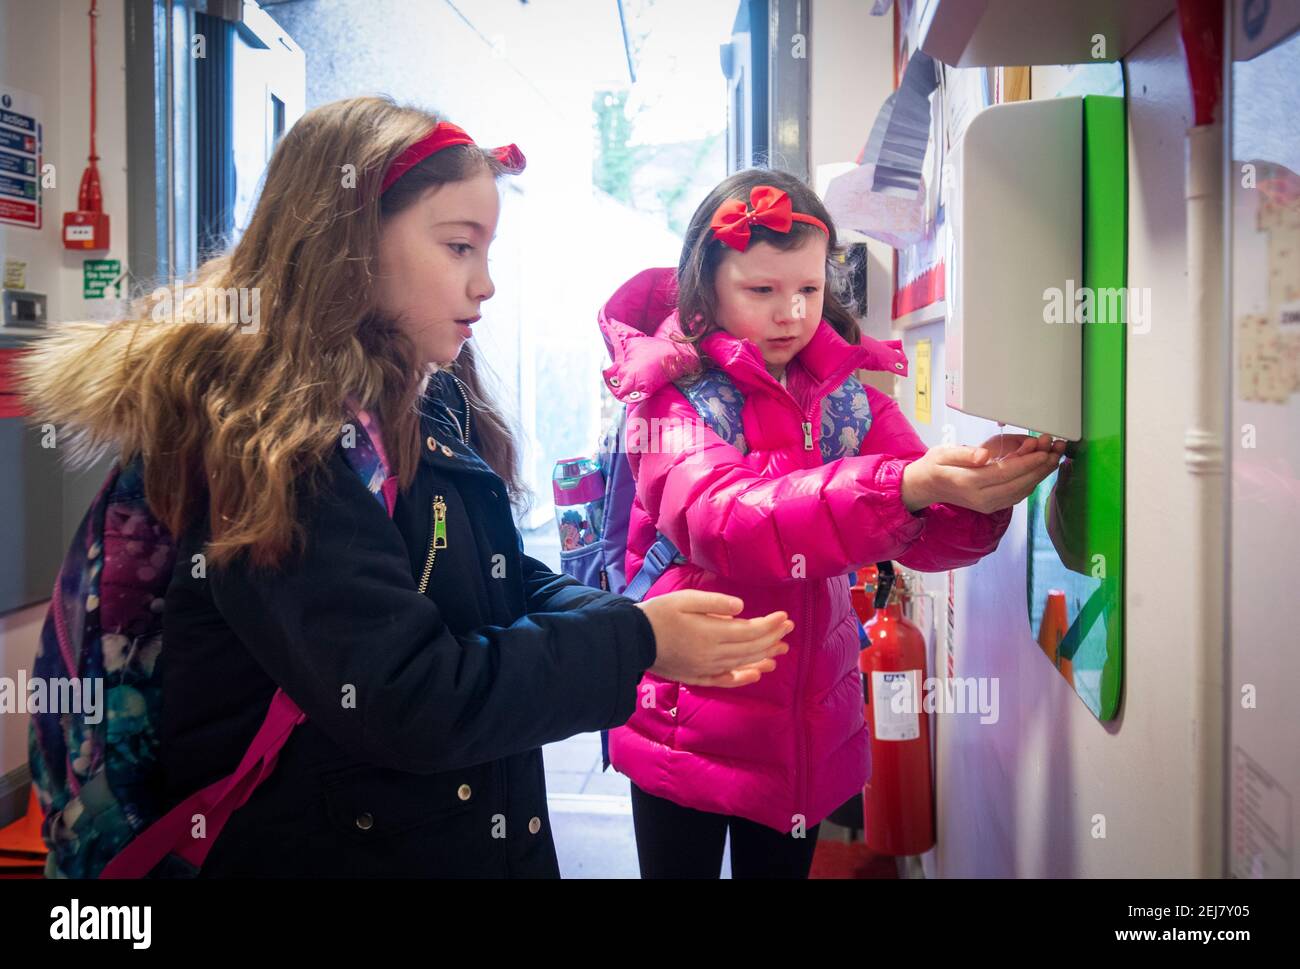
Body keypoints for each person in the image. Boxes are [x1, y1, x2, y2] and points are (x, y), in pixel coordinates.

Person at [18, 96, 793, 877]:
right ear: (347, 243)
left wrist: (628, 622)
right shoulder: (282, 445)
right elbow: (411, 695)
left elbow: (486, 580)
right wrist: (639, 641)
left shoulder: (414, 401)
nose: (485, 284)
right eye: (460, 246)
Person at [599, 169, 1065, 878]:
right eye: (762, 290)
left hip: (808, 731)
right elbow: (725, 521)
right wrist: (905, 484)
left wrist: (978, 490)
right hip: (685, 723)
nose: (790, 312)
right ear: (705, 288)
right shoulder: (672, 398)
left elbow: (927, 529)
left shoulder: (846, 401)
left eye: (809, 290)